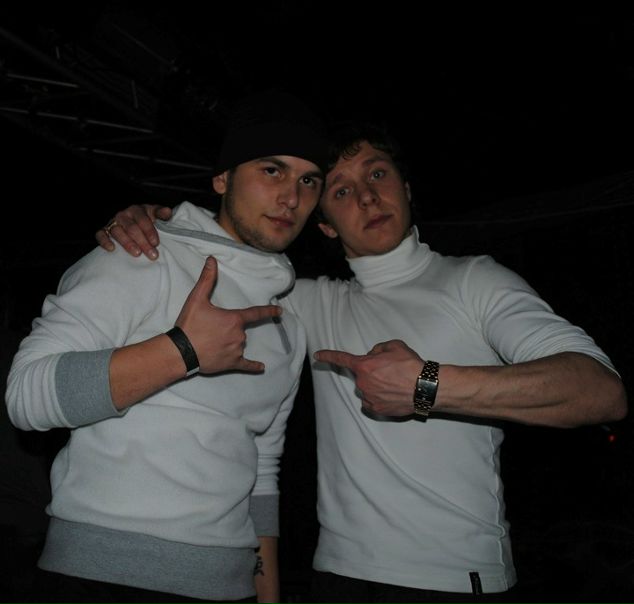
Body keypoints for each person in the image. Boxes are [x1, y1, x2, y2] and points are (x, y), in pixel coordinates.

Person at [96, 122, 627, 602]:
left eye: (377, 174)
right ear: (325, 226)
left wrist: (427, 385)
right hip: (337, 576)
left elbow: (602, 391)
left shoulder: (475, 280)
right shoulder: (305, 302)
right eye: (341, 191)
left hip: (452, 577)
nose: (368, 197)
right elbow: (221, 265)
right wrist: (151, 222)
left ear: (407, 189)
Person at [5, 89, 329, 603]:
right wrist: (182, 351)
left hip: (229, 585)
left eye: (308, 180)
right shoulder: (141, 251)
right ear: (223, 179)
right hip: (98, 577)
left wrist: (266, 594)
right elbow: (25, 396)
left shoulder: (287, 322)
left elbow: (262, 466)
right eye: (272, 170)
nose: (291, 196)